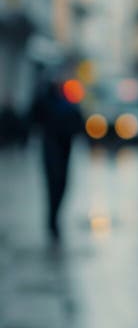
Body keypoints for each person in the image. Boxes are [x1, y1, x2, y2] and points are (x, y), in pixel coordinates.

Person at [30, 75, 84, 243]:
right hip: (51, 148)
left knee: (61, 185)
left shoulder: (69, 105)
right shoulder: (46, 102)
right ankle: (52, 220)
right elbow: (34, 117)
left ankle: (54, 218)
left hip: (64, 149)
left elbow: (79, 124)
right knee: (53, 184)